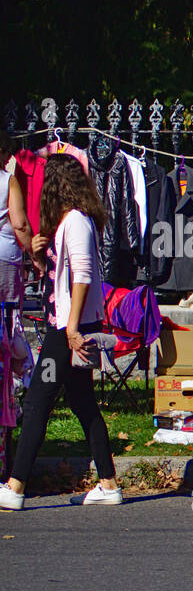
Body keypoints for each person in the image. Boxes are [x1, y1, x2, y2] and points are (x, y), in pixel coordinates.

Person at [0, 154, 121, 509]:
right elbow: (64, 278)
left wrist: (70, 330)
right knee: (84, 404)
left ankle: (15, 486)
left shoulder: (77, 222)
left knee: (37, 401)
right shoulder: (71, 222)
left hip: (68, 328)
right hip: (71, 324)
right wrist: (40, 258)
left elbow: (82, 276)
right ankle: (109, 483)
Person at [0, 131, 34, 304]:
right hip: (4, 257)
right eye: (7, 152)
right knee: (7, 318)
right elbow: (20, 225)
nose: (9, 158)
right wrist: (35, 257)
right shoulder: (7, 180)